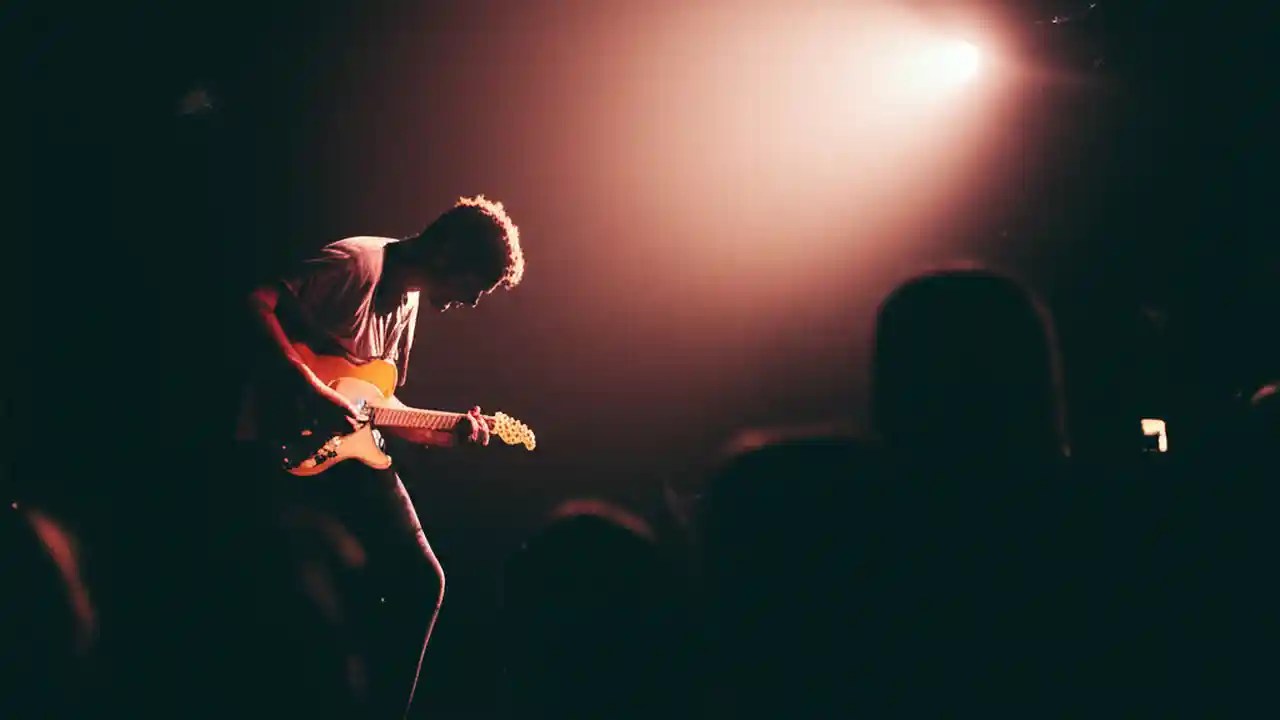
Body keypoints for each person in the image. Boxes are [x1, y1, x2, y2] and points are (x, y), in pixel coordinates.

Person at [227, 194, 525, 718]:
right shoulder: (357, 263)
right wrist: (311, 388)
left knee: (421, 581)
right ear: (448, 251)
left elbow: (379, 404)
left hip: (347, 456)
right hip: (281, 442)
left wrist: (449, 431)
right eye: (475, 282)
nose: (474, 300)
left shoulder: (408, 303)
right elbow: (256, 301)